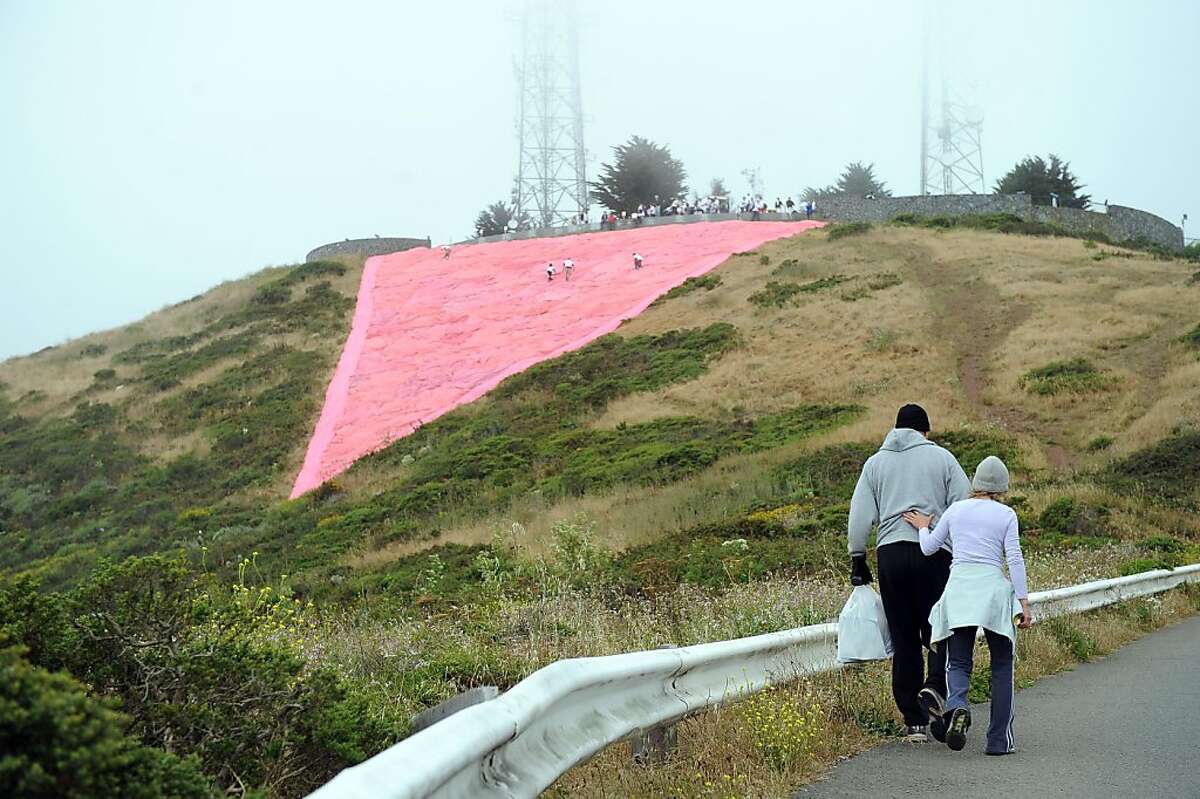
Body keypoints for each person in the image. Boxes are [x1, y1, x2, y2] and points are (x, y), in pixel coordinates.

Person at [847, 404, 971, 743]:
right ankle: (934, 688)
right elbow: (963, 503)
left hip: (890, 554)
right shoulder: (943, 459)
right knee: (938, 628)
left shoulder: (875, 463)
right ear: (925, 432)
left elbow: (859, 516)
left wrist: (858, 557)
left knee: (903, 637)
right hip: (932, 552)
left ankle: (913, 721)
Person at [903, 456, 1031, 755]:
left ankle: (959, 707)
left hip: (959, 590)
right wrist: (1023, 601)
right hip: (993, 592)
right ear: (1002, 487)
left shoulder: (956, 510)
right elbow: (1014, 558)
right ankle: (999, 741)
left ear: (975, 484)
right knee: (1002, 666)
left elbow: (929, 547)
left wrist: (923, 526)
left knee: (958, 662)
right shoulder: (1006, 514)